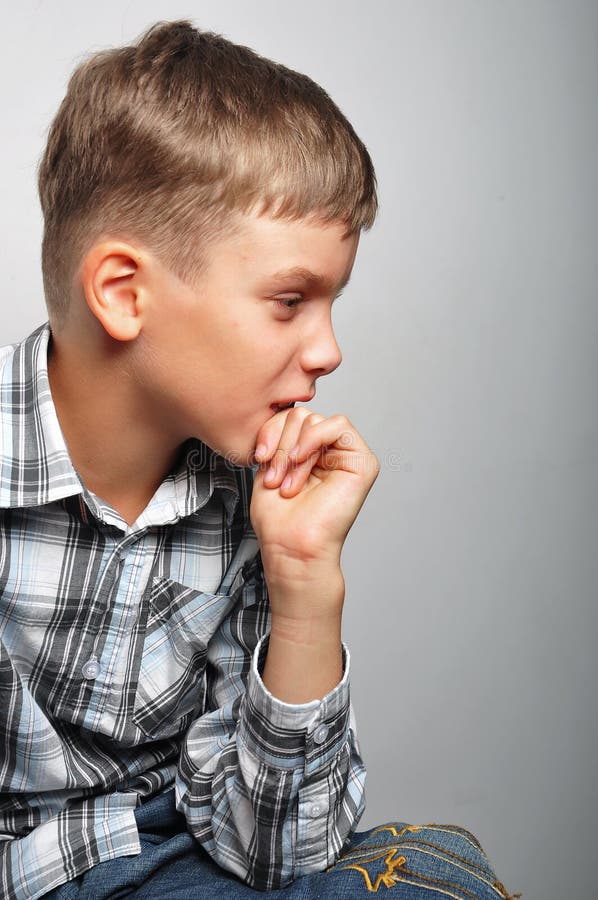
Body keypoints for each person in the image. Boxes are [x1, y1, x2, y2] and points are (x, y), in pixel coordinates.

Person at [0, 20, 518, 900]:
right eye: (290, 301)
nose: (328, 351)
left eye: (332, 303)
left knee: (438, 874)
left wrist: (304, 578)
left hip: (176, 861)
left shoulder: (249, 502)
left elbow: (274, 857)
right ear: (124, 294)